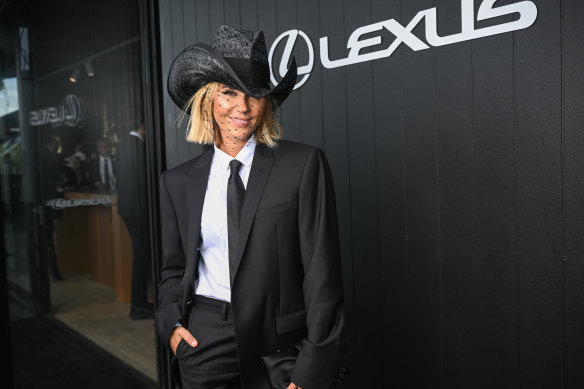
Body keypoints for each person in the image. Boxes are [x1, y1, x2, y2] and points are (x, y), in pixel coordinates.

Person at [156, 25, 348, 389]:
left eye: (255, 96)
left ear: (268, 103)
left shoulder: (303, 165)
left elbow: (323, 276)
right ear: (207, 100)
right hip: (204, 338)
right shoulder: (177, 182)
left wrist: (311, 371)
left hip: (279, 344)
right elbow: (173, 268)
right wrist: (172, 326)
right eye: (229, 93)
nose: (242, 108)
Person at [116, 122, 153, 320]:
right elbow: (144, 180)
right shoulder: (139, 147)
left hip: (127, 209)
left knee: (140, 257)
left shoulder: (121, 145)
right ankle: (138, 307)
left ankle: (140, 304)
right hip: (139, 210)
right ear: (143, 126)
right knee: (141, 258)